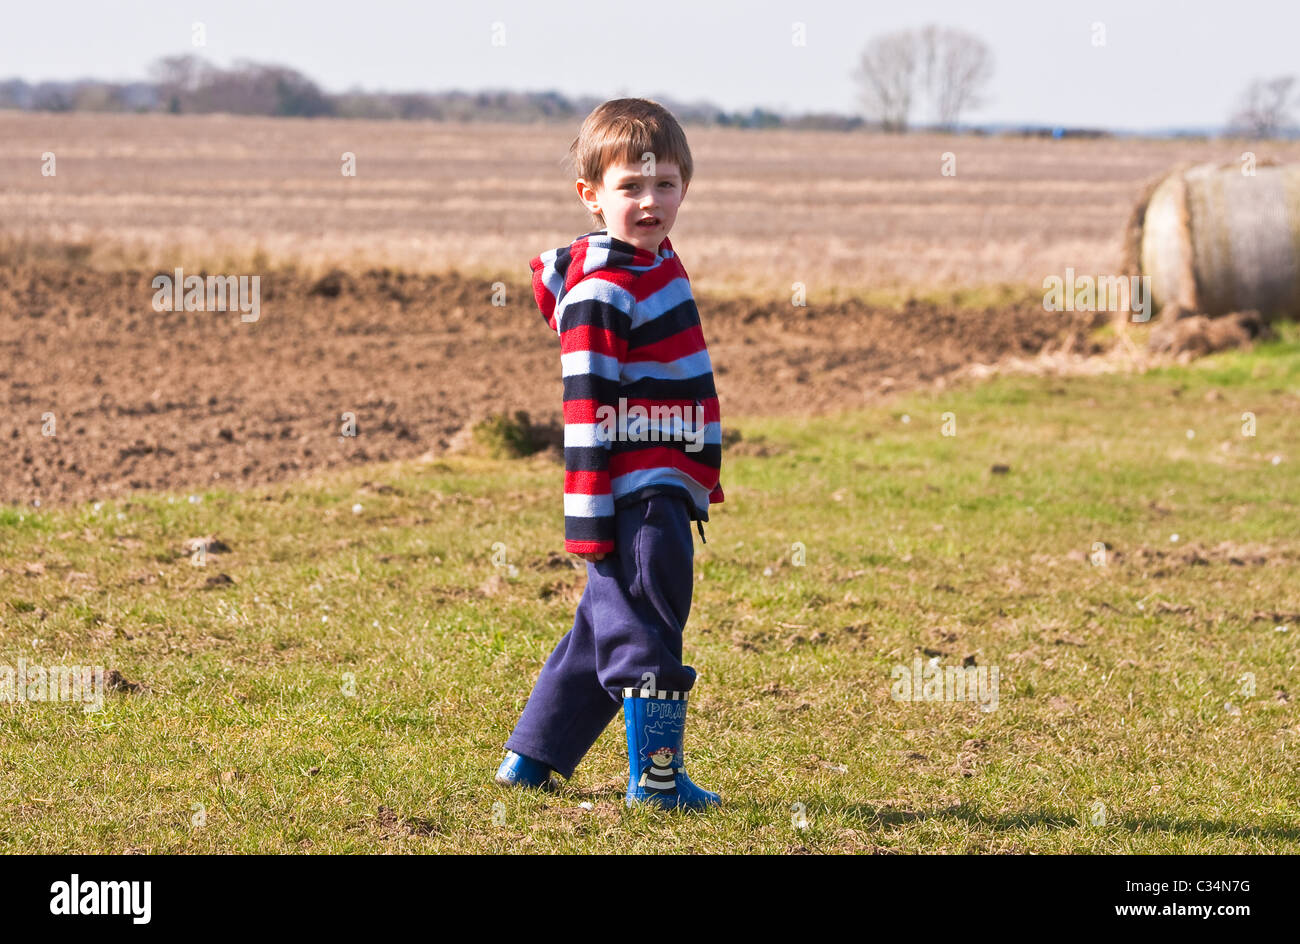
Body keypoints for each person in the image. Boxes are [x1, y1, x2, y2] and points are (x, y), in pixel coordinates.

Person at [494, 98, 724, 810]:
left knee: (598, 635)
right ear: (591, 197)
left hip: (666, 481)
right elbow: (586, 416)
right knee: (649, 631)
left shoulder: (655, 261)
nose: (651, 203)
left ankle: (530, 762)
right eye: (630, 188)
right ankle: (656, 782)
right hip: (635, 497)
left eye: (666, 185)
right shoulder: (602, 293)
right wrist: (590, 522)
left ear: (686, 185)